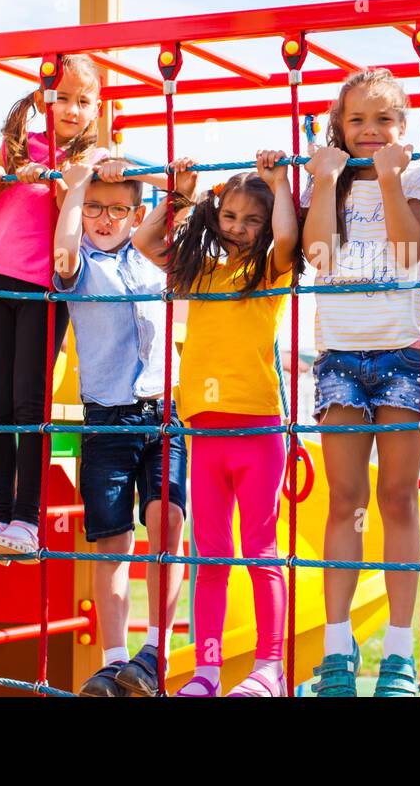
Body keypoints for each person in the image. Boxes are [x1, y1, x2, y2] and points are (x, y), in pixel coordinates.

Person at [138, 152, 301, 697]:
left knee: (258, 549)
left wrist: (279, 183)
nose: (238, 228)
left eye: (252, 219)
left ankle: (268, 667)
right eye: (230, 216)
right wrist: (180, 195)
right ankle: (207, 668)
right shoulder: (201, 272)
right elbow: (146, 244)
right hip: (203, 433)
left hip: (257, 429)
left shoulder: (271, 271)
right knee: (209, 554)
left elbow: (287, 239)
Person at [302, 68, 420, 697]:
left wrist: (388, 177)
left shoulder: (414, 176)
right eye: (357, 120)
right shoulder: (325, 180)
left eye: (384, 119)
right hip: (340, 361)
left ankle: (399, 653)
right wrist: (322, 180)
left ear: (402, 126)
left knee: (399, 498)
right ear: (340, 127)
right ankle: (335, 649)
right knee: (345, 499)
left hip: (401, 356)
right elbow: (318, 257)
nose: (371, 130)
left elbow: (411, 253)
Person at [0, 55, 109, 561]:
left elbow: (86, 223)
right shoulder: (19, 146)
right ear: (44, 99)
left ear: (96, 107)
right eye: (61, 97)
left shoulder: (93, 157)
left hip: (44, 289)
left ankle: (27, 521)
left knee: (28, 404)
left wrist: (70, 185)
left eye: (82, 101)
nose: (70, 108)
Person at [51, 158, 189, 696]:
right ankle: (112, 660)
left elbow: (183, 187)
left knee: (168, 518)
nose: (104, 219)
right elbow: (66, 243)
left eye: (117, 210)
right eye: (94, 209)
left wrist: (135, 169)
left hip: (160, 415)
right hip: (107, 418)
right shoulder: (78, 265)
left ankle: (154, 650)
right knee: (111, 540)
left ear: (136, 215)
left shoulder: (153, 256)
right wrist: (80, 181)